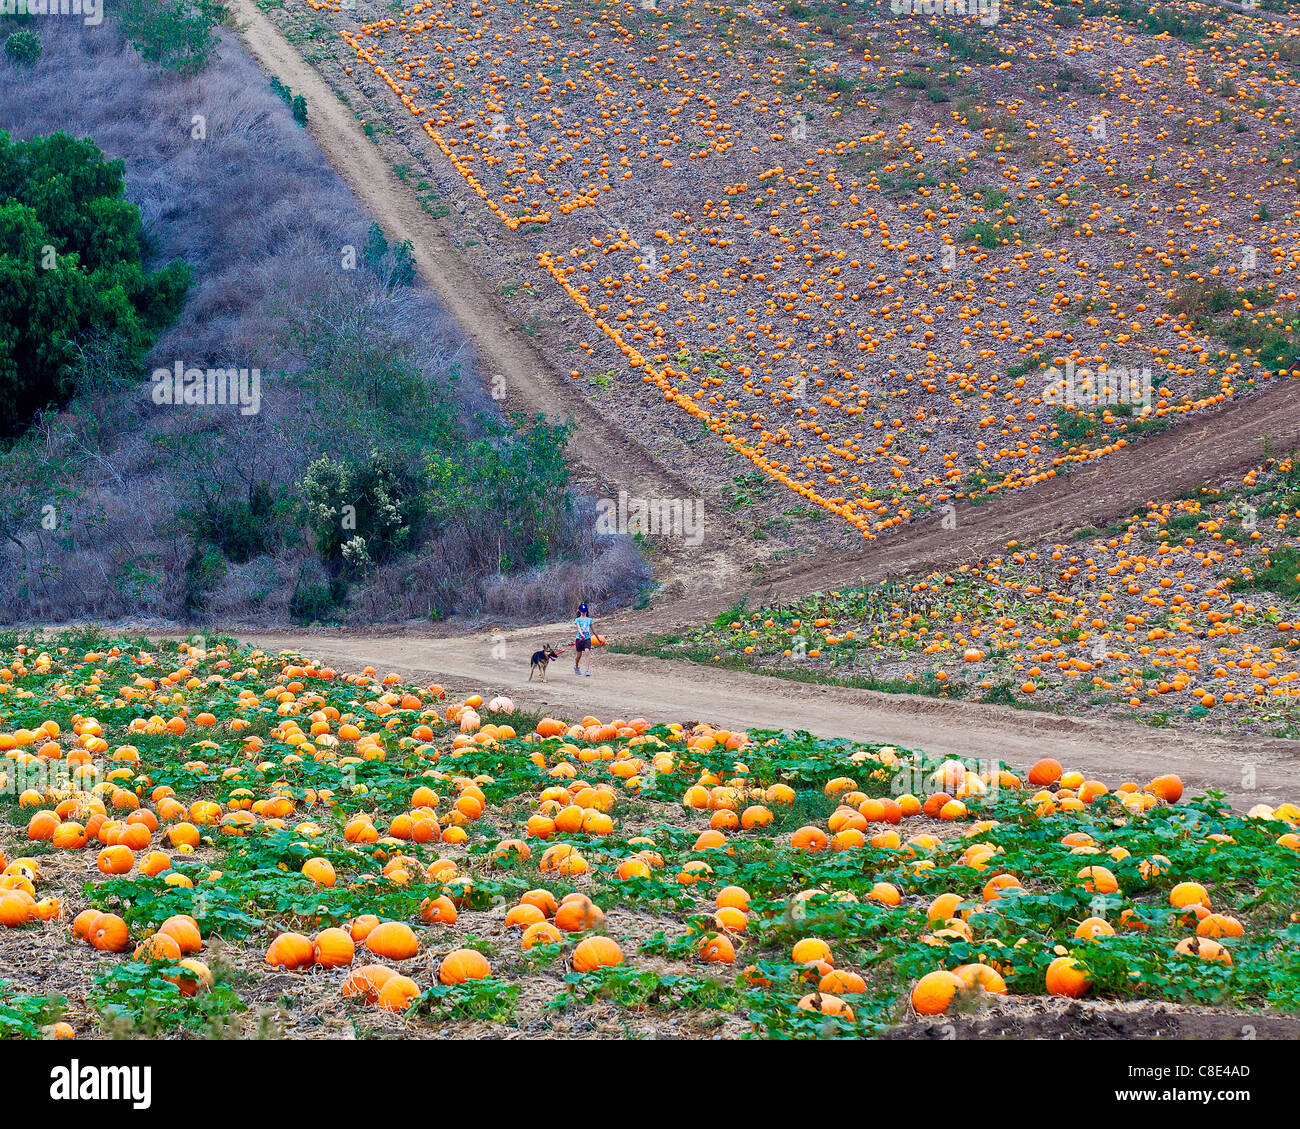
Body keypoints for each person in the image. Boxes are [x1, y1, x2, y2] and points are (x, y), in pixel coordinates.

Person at [573, 602, 595, 676]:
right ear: (579, 611)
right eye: (582, 611)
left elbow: (593, 630)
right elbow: (578, 628)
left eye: (584, 611)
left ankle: (587, 670)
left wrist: (598, 638)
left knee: (587, 652)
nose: (583, 612)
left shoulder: (589, 620)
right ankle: (576, 666)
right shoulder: (577, 620)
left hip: (587, 639)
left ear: (587, 611)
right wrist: (582, 634)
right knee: (579, 656)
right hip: (579, 639)